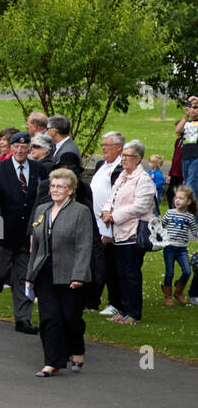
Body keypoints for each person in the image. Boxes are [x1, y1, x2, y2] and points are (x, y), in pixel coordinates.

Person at [27, 168, 96, 376]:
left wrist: (79, 275)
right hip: (45, 273)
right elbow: (36, 246)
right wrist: (30, 275)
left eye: (60, 186)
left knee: (70, 318)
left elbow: (85, 246)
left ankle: (77, 349)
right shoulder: (42, 210)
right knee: (49, 318)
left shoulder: (80, 211)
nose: (55, 190)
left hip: (69, 274)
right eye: (53, 186)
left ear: (70, 190)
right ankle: (52, 362)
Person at [0, 131, 47, 333]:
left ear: (29, 149)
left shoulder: (38, 169)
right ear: (11, 147)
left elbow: (41, 198)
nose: (20, 150)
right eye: (16, 146)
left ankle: (22, 319)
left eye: (24, 147)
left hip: (26, 232)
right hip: (1, 227)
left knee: (23, 276)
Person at [101, 139, 156, 324]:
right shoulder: (123, 176)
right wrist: (106, 211)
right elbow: (112, 197)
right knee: (120, 274)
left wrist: (114, 216)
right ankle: (123, 310)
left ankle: (133, 313)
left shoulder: (144, 180)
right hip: (118, 232)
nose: (124, 159)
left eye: (128, 156)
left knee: (131, 274)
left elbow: (140, 206)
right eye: (123, 155)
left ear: (138, 159)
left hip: (133, 233)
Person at [90, 131, 125, 316]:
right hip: (95, 224)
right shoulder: (101, 165)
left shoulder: (120, 169)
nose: (103, 148)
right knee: (97, 264)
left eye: (107, 145)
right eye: (102, 144)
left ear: (119, 148)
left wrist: (109, 229)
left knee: (111, 266)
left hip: (111, 227)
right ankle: (92, 299)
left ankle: (115, 302)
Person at [160, 184, 198, 306]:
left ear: (189, 201)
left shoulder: (190, 217)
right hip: (169, 248)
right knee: (169, 272)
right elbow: (161, 226)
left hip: (182, 249)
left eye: (181, 198)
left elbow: (195, 232)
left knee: (187, 271)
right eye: (176, 197)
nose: (177, 200)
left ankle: (178, 292)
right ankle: (167, 296)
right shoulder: (170, 213)